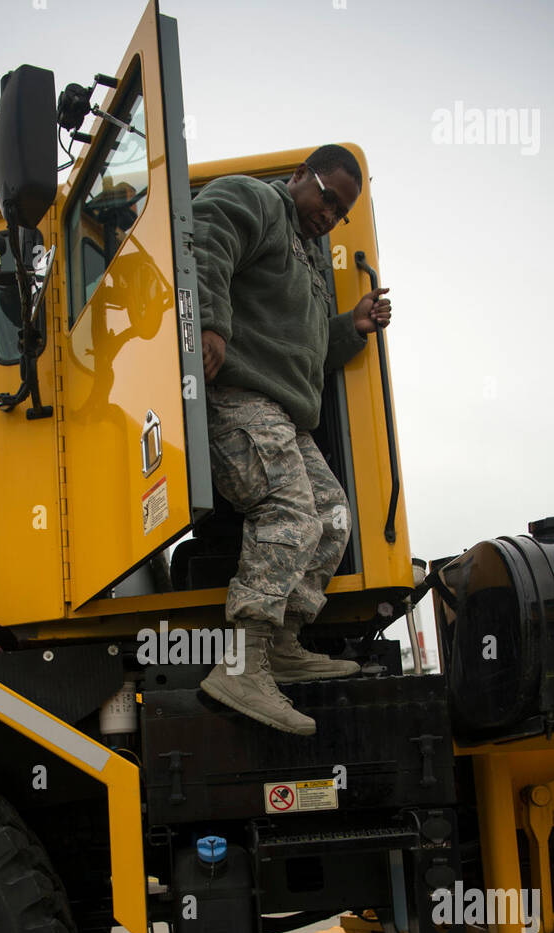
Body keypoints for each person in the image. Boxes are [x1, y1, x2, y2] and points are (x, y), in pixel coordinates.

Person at [192, 145, 391, 736]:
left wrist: (350, 327)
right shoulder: (256, 199)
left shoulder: (306, 261)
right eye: (327, 196)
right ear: (300, 175)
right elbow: (205, 235)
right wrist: (209, 321)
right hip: (238, 394)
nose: (330, 214)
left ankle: (282, 643)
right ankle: (242, 665)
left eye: (341, 210)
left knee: (331, 517)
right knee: (288, 510)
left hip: (284, 409)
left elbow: (305, 348)